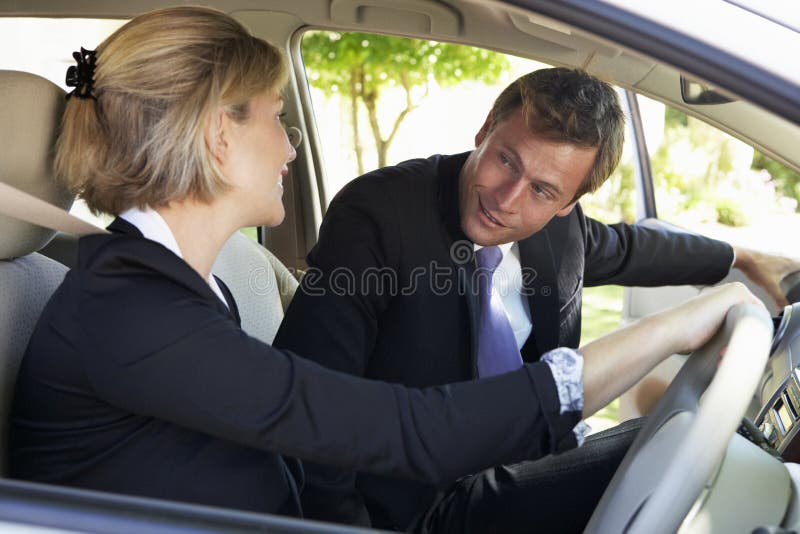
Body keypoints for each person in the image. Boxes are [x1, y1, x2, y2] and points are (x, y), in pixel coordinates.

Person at [7, 6, 765, 533]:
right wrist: (673, 328)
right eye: (276, 115)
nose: (291, 146)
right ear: (218, 137)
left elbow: (619, 247)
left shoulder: (167, 284)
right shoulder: (133, 315)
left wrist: (738, 264)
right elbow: (412, 434)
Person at [272, 67, 799, 530]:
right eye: (505, 161)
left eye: (544, 190)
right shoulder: (378, 216)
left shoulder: (560, 234)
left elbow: (628, 248)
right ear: (483, 132)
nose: (507, 199)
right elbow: (313, 404)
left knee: (713, 443)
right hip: (416, 503)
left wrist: (740, 256)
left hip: (532, 456)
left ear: (571, 203)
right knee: (715, 453)